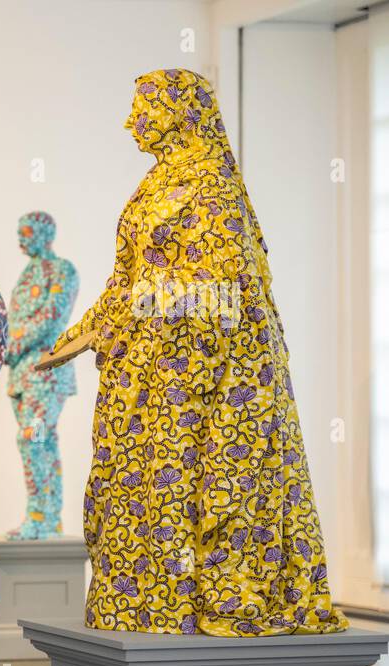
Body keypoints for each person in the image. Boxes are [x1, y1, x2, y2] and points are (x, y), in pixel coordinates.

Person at [46, 69, 346, 636]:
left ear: (180, 112)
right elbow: (129, 278)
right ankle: (142, 603)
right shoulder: (157, 183)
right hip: (150, 370)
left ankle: (198, 599)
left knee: (190, 483)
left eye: (143, 108)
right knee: (134, 481)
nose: (130, 121)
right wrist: (80, 333)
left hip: (208, 377)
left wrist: (133, 314)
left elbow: (222, 286)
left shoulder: (212, 185)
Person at [4, 211, 77, 540]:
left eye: (27, 231)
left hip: (47, 370)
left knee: (32, 439)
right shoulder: (26, 274)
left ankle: (40, 516)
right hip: (21, 375)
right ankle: (49, 517)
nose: (21, 237)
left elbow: (52, 316)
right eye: (19, 231)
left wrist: (14, 343)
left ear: (46, 232)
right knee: (41, 441)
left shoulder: (61, 269)